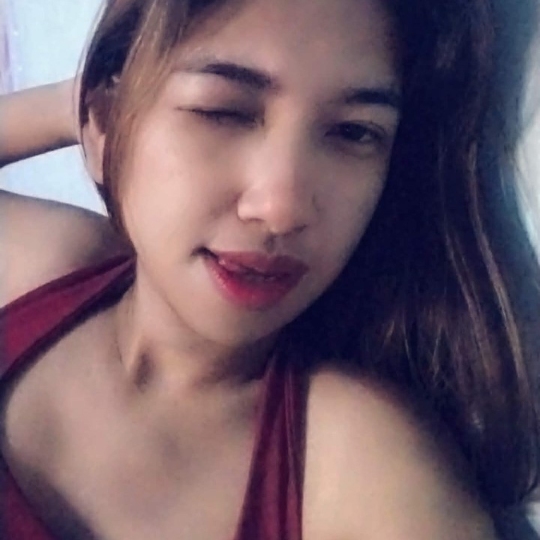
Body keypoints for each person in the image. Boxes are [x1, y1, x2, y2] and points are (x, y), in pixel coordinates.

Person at [0, 0, 539, 538]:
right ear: (105, 121)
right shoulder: (45, 271)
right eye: (223, 111)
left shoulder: (360, 468)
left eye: (354, 132)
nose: (282, 208)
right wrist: (85, 110)